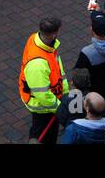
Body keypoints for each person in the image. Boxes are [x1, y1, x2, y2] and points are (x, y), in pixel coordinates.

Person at [19, 16, 68, 144]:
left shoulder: (36, 38)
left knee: (38, 129)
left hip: (50, 100)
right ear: (54, 34)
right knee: (45, 134)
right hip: (44, 107)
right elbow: (42, 95)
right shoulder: (38, 64)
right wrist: (59, 108)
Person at [73, 11, 105, 123]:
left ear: (91, 30)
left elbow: (78, 75)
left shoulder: (87, 52)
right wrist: (99, 12)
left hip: (97, 92)